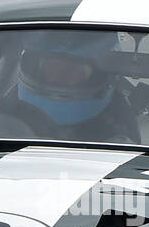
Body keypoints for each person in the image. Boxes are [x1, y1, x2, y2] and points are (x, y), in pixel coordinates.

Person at [14, 31, 142, 144]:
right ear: (36, 70)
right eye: (52, 67)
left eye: (74, 69)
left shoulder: (117, 133)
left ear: (98, 76)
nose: (60, 76)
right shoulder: (6, 112)